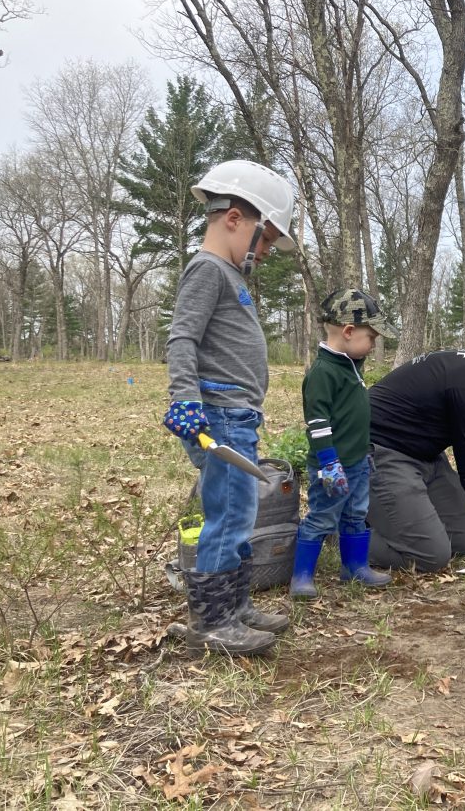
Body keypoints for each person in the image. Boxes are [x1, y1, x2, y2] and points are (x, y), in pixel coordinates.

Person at [162, 159, 296, 658]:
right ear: (235, 217)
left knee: (241, 512)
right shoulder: (206, 270)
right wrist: (186, 400)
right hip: (215, 414)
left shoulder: (230, 273)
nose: (263, 252)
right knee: (229, 513)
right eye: (264, 239)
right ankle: (212, 623)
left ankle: (234, 606)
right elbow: (182, 338)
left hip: (238, 415)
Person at [366, 348, 465, 572]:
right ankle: (341, 530)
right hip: (382, 451)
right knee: (430, 556)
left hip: (427, 456)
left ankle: (391, 517)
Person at [290, 288, 398, 598]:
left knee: (356, 513)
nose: (374, 343)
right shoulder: (324, 373)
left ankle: (355, 567)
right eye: (372, 337)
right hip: (332, 465)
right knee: (323, 516)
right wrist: (328, 461)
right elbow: (318, 423)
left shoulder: (350, 366)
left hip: (357, 462)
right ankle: (301, 576)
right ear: (349, 332)